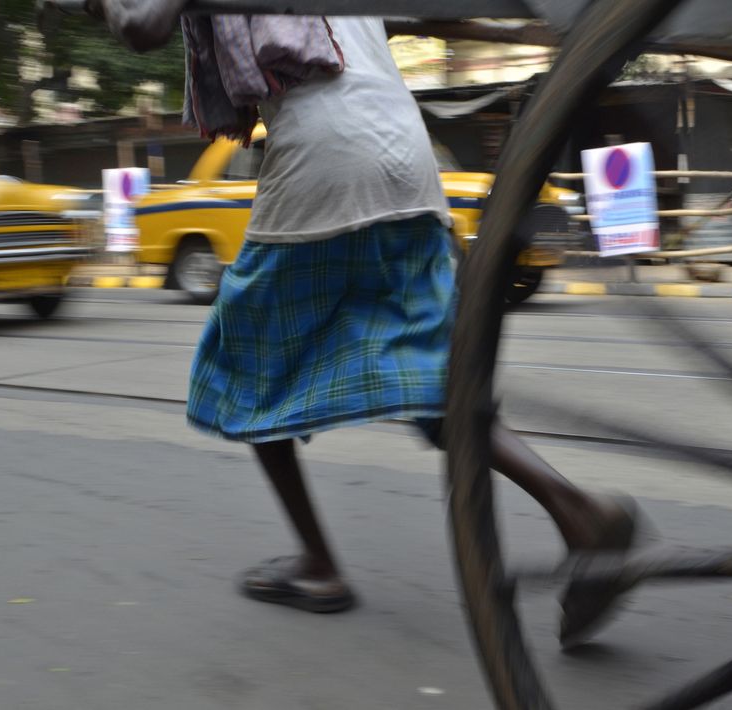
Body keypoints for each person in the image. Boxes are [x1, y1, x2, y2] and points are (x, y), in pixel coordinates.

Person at [86, 0, 637, 648]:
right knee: (434, 378)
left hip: (325, 160)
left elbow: (141, 25)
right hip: (407, 161)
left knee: (247, 370)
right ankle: (580, 511)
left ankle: (319, 566)